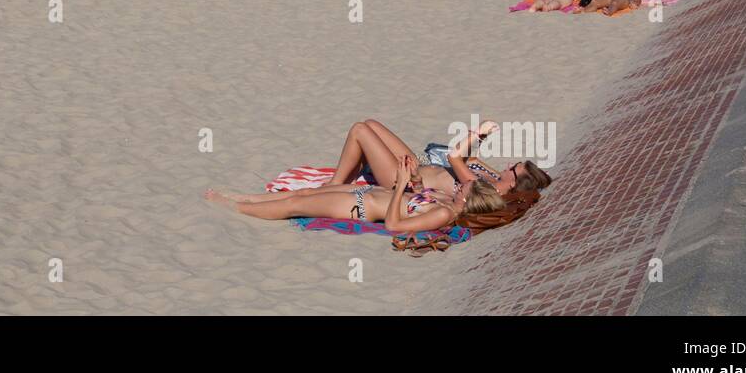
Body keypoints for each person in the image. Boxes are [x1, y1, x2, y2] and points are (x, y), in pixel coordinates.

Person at [207, 154, 506, 234]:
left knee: (295, 203)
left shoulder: (444, 213)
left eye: (466, 186)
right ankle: (243, 198)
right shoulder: (445, 203)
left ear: (469, 198)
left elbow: (394, 225)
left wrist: (401, 184)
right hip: (367, 193)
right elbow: (413, 199)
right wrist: (412, 177)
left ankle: (236, 208)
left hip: (359, 205)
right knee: (308, 191)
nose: (461, 184)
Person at [325, 119, 552, 197]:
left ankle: (335, 185)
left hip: (402, 180)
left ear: (513, 183)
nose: (510, 165)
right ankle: (349, 176)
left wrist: (476, 132)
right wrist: (481, 139)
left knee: (360, 130)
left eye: (514, 169)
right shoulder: (493, 178)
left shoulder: (485, 189)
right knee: (371, 124)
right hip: (420, 165)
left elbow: (454, 158)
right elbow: (468, 162)